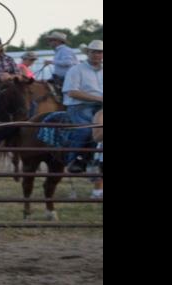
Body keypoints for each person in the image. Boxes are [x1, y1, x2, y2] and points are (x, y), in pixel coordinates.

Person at [61, 40, 102, 196]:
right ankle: (75, 159)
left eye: (100, 52)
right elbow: (72, 92)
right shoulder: (76, 70)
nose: (97, 55)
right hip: (79, 105)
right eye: (94, 52)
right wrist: (98, 99)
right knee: (86, 130)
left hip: (100, 106)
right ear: (88, 53)